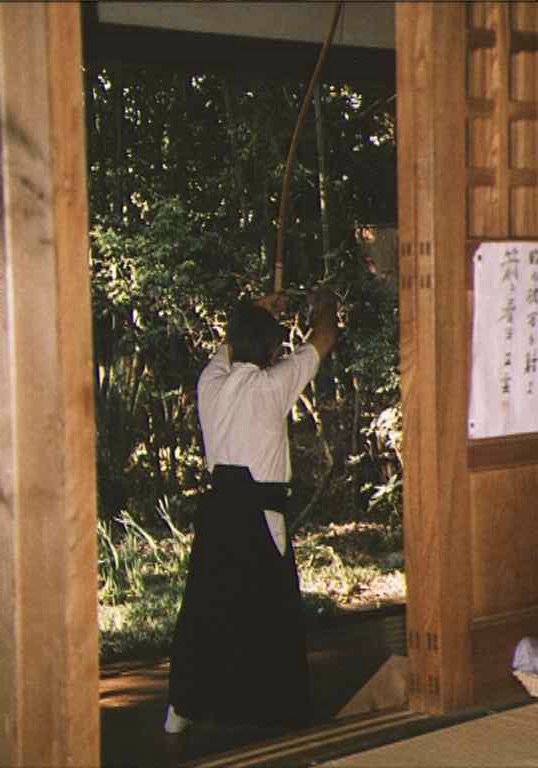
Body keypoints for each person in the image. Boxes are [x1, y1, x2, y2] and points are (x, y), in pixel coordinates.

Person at [165, 289, 338, 735]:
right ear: (270, 351)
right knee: (270, 614)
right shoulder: (272, 384)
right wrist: (324, 305)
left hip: (219, 511)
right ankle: (277, 716)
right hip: (260, 514)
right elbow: (324, 338)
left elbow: (230, 347)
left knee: (207, 605)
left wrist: (259, 312)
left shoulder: (211, 381)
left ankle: (182, 707)